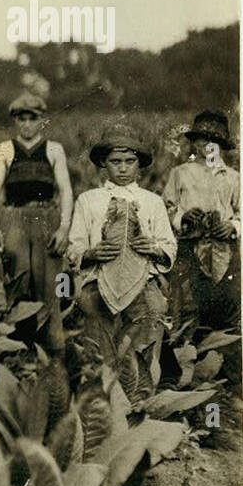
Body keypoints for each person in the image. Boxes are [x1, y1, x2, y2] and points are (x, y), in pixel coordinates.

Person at [66, 124, 177, 358]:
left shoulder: (152, 201)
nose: (123, 168)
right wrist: (90, 254)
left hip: (143, 283)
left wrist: (154, 249)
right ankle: (102, 387)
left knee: (149, 326)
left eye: (130, 161)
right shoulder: (88, 200)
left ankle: (140, 389)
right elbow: (74, 247)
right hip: (99, 283)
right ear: (104, 164)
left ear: (139, 164)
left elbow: (169, 246)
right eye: (116, 161)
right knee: (98, 348)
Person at [0, 92, 73, 351]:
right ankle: (20, 349)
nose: (26, 125)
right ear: (15, 122)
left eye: (32, 119)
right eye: (21, 119)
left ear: (41, 120)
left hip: (46, 217)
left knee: (53, 284)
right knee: (18, 281)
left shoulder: (54, 149)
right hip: (15, 218)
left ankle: (55, 346)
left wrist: (64, 226)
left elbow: (66, 190)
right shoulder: (5, 149)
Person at [161, 110, 240, 330]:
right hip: (188, 247)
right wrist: (182, 217)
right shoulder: (181, 173)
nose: (206, 145)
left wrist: (232, 226)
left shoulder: (233, 177)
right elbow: (166, 207)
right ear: (194, 143)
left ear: (222, 145)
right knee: (187, 305)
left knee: (225, 305)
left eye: (213, 140)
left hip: (224, 248)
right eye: (201, 139)